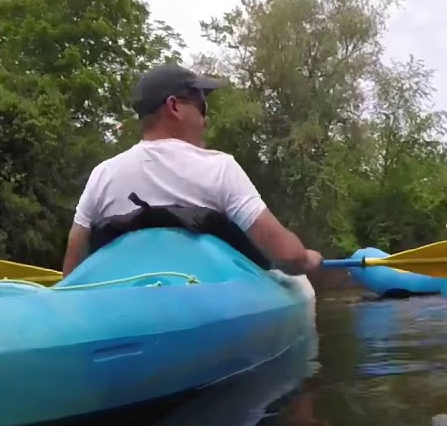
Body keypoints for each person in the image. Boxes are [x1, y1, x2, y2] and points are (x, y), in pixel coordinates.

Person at [61, 64, 323, 279]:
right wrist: (306, 258)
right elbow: (285, 254)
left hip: (118, 306)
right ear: (174, 107)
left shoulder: (102, 175)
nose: (205, 118)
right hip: (206, 303)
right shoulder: (219, 168)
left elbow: (72, 269)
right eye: (201, 107)